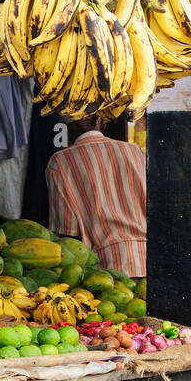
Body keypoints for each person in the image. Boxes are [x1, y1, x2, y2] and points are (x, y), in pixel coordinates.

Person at [45, 117, 148, 276]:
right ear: (102, 121)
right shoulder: (135, 151)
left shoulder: (60, 162)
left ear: (68, 126)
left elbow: (68, 230)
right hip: (149, 259)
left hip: (107, 270)